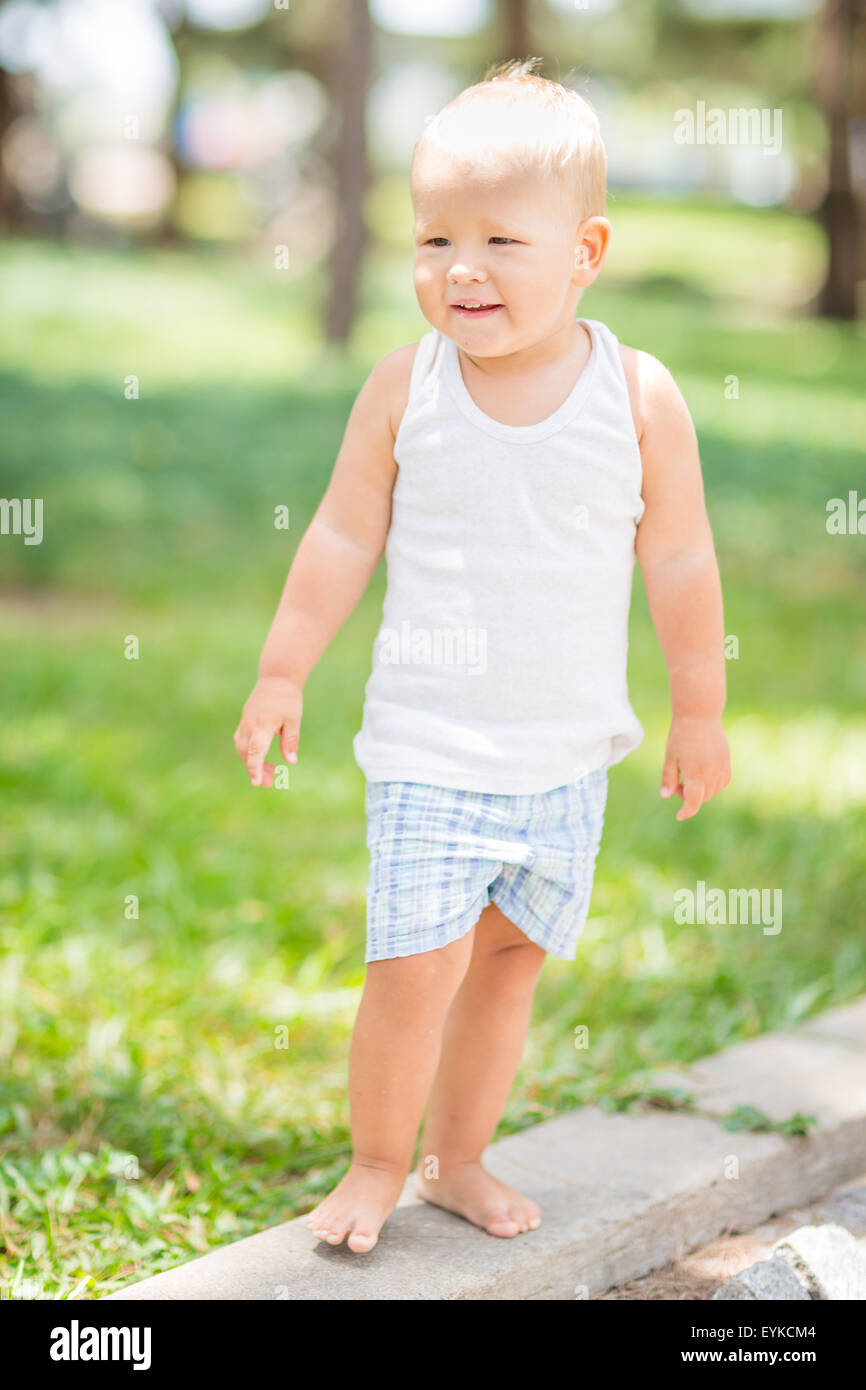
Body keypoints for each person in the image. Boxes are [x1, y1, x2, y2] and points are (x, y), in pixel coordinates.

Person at [233, 58, 731, 1254]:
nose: (459, 266)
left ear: (584, 252)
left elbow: (679, 562)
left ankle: (459, 1159)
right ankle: (372, 1164)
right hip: (430, 743)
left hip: (563, 753)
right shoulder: (409, 386)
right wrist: (282, 668)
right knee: (416, 966)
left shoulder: (638, 395)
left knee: (505, 969)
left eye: (501, 238)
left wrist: (698, 710)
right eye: (433, 237)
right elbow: (344, 532)